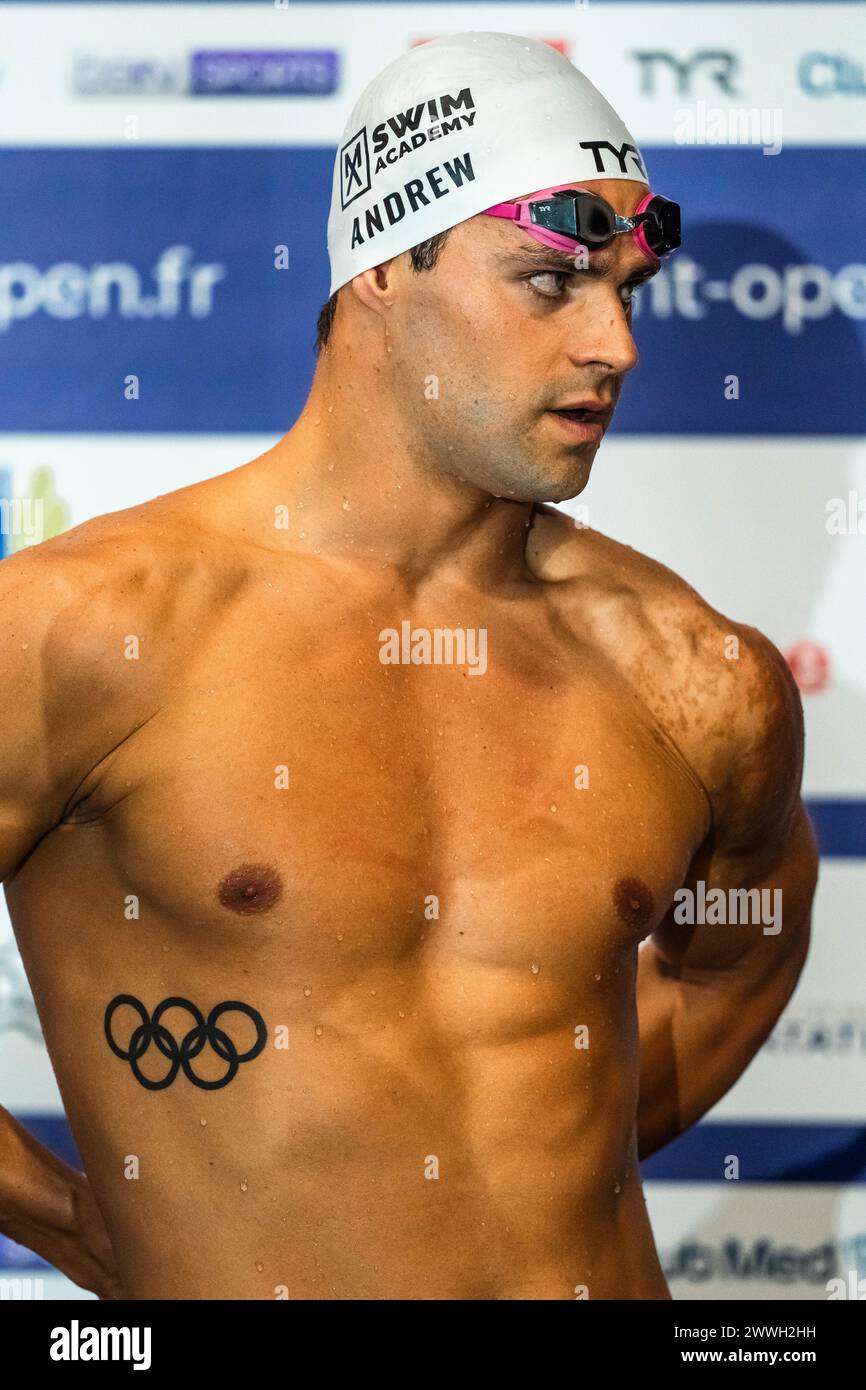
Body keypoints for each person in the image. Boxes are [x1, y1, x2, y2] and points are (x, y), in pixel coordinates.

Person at [0, 31, 817, 1300]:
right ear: (386, 265)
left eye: (627, 289)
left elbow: (743, 947)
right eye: (551, 283)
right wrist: (64, 1215)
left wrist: (557, 1139)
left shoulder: (689, 671)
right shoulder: (89, 629)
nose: (616, 342)